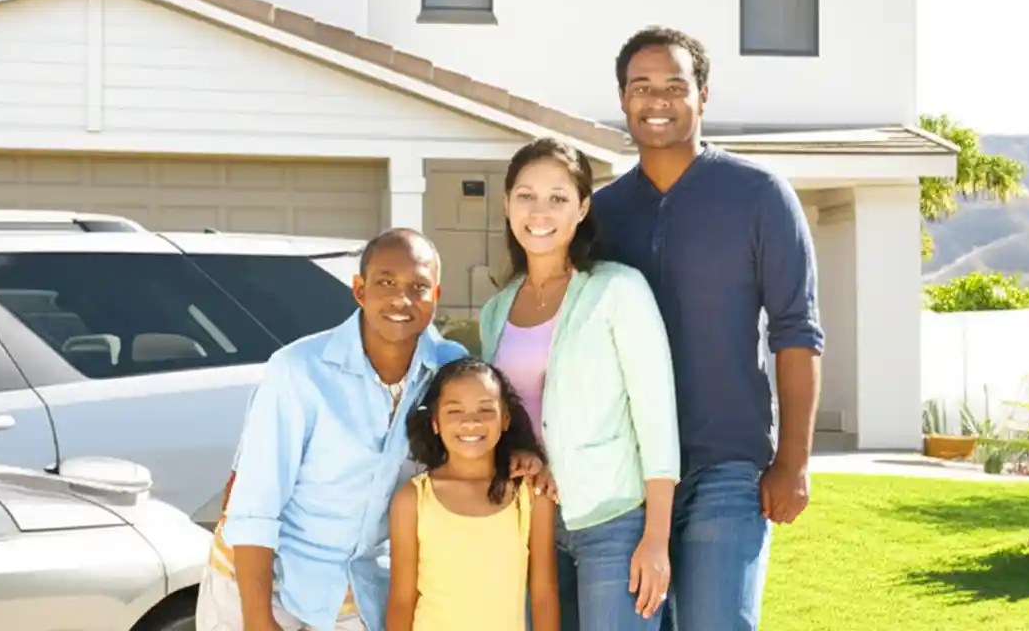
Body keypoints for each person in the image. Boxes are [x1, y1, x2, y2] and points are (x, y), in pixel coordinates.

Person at [592, 26, 825, 631]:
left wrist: (794, 459)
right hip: (628, 472)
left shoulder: (759, 196)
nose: (658, 100)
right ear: (622, 99)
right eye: (642, 87)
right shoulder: (603, 214)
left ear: (703, 96)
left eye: (675, 85)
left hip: (727, 463)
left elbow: (796, 329)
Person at [209, 228, 551, 631]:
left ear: (435, 296)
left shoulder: (446, 368)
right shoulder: (298, 371)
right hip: (265, 585)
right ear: (359, 289)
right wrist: (257, 619)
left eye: (418, 287)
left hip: (358, 593)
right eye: (385, 282)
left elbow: (476, 426)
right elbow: (254, 507)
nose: (400, 299)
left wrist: (517, 453)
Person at [478, 137, 682, 631]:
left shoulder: (618, 290)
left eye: (558, 197)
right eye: (526, 195)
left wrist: (656, 539)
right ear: (507, 204)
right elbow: (501, 422)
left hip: (613, 524)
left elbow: (656, 418)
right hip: (528, 522)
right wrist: (517, 456)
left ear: (582, 207)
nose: (539, 211)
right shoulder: (495, 311)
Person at [386, 358, 560, 631]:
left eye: (485, 410)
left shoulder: (530, 494)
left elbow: (543, 592)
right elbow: (401, 600)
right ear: (435, 422)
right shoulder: (412, 500)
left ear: (505, 419)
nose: (471, 422)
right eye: (455, 411)